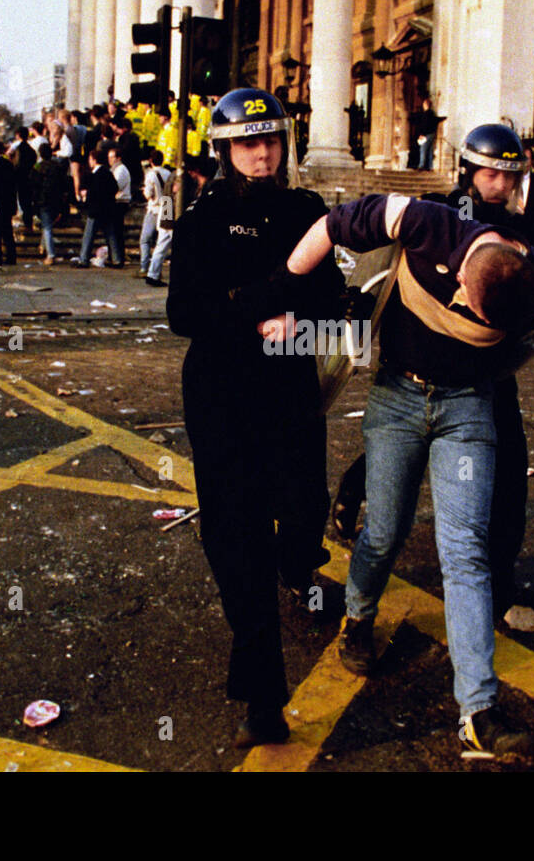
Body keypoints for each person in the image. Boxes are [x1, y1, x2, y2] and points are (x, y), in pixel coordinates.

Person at [285, 187, 534, 758]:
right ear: (460, 278)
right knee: (385, 531)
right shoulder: (424, 223)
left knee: (465, 552)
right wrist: (285, 283)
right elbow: (334, 224)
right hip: (398, 399)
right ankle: (358, 619)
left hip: (468, 409)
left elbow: (528, 337)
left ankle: (479, 711)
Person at [167, 88, 342, 748]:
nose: (261, 153)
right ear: (226, 150)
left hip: (290, 387)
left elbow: (334, 300)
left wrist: (299, 320)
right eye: (247, 143)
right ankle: (262, 695)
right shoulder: (203, 218)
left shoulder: (306, 211)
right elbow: (184, 313)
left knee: (304, 511)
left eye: (269, 140)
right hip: (221, 395)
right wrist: (260, 307)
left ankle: (298, 567)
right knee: (237, 539)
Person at [330, 124, 534, 635]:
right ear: (469, 171)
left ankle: (500, 586)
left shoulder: (523, 228)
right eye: (491, 174)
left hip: (487, 379)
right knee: (398, 468)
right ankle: (357, 486)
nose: (501, 184)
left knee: (508, 483)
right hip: (419, 369)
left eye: (510, 176)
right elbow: (381, 268)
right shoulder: (439, 214)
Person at [74, 146, 117, 267]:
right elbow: (114, 188)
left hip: (95, 209)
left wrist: (87, 194)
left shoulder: (94, 175)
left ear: (94, 160)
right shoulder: (108, 173)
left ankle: (84, 259)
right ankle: (116, 258)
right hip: (107, 208)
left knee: (89, 235)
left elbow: (94, 191)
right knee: (110, 235)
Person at [138, 149, 173, 286]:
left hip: (154, 208)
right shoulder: (168, 173)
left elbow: (148, 194)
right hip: (167, 206)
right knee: (163, 240)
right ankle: (154, 271)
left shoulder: (150, 175)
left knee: (145, 239)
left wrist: (144, 192)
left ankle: (145, 267)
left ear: (151, 161)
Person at [32, 143, 69, 266]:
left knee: (47, 226)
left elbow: (34, 184)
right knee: (47, 225)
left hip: (43, 200)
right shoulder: (58, 166)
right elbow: (64, 183)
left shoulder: (38, 167)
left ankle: (50, 254)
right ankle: (43, 245)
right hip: (56, 199)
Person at [107, 143, 132, 267]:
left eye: (112, 157)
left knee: (117, 230)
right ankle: (114, 256)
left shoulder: (121, 170)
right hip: (117, 202)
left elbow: (116, 186)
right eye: (109, 157)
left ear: (118, 158)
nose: (110, 160)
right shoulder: (115, 169)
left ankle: (118, 257)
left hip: (120, 202)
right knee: (115, 230)